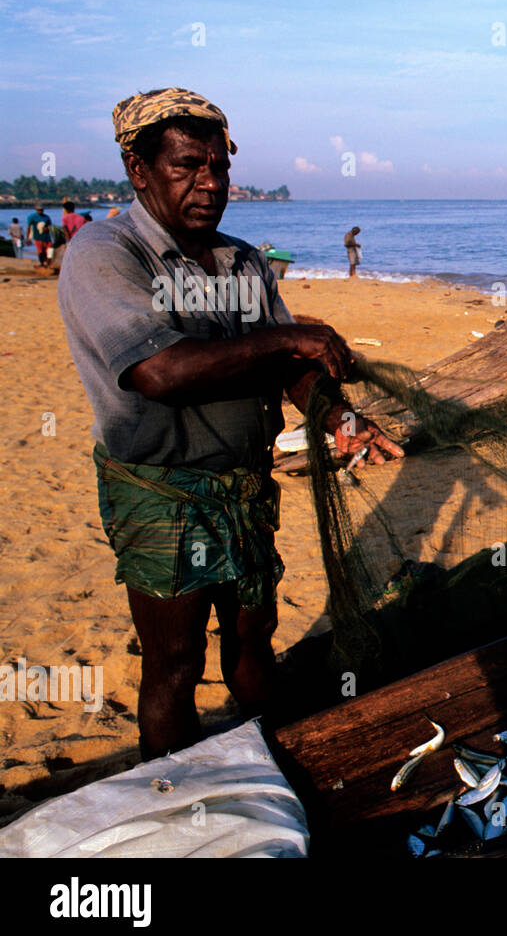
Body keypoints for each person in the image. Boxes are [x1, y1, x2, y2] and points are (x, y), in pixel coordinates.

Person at [58, 87, 404, 760]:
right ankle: (176, 793)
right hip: (162, 496)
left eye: (219, 166)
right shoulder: (107, 253)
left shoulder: (242, 260)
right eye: (188, 166)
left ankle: (273, 758)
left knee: (253, 638)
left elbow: (288, 368)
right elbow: (160, 371)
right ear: (139, 169)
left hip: (246, 491)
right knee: (176, 663)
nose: (210, 183)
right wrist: (290, 340)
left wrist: (338, 414)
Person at [26, 202, 53, 267]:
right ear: (36, 210)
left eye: (41, 210)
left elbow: (50, 226)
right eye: (39, 210)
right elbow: (29, 227)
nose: (40, 211)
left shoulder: (46, 217)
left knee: (50, 251)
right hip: (38, 237)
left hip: (47, 237)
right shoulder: (32, 217)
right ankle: (42, 263)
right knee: (40, 251)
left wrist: (47, 229)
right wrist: (28, 238)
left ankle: (48, 263)